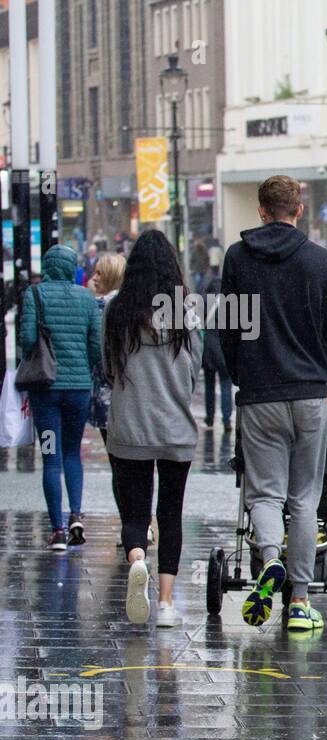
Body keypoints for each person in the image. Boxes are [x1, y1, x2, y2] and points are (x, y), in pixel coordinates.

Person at [219, 176, 327, 632]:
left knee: (263, 492)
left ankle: (267, 558)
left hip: (260, 394)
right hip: (310, 396)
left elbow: (228, 328)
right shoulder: (322, 262)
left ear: (261, 210)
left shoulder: (237, 259)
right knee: (304, 498)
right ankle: (299, 602)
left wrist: (242, 374)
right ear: (299, 210)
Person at [102, 230, 201, 628]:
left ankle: (137, 558)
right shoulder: (187, 311)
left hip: (129, 426)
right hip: (175, 426)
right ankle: (164, 604)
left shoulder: (115, 309)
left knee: (135, 511)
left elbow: (107, 367)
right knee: (171, 512)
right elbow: (195, 368)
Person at [19, 245, 103, 551]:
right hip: (78, 390)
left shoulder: (35, 295)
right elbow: (96, 346)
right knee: (72, 453)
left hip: (45, 391)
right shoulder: (86, 298)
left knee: (51, 458)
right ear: (72, 267)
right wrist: (83, 365)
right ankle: (76, 515)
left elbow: (28, 340)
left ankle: (56, 530)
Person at [88, 253, 127, 445]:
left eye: (99, 274)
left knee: (116, 459)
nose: (93, 278)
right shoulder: (129, 306)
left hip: (106, 391)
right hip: (127, 393)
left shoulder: (100, 307)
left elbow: (95, 351)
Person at [201, 272, 234, 432]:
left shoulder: (205, 301)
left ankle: (209, 419)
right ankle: (227, 420)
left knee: (209, 386)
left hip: (208, 349)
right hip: (225, 349)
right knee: (226, 385)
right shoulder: (230, 302)